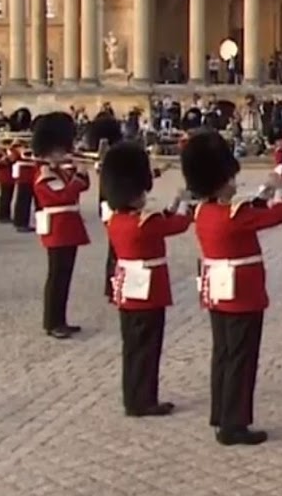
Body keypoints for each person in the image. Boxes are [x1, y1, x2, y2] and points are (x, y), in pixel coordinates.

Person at [184, 130, 282, 446]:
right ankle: (234, 424)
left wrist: (264, 192)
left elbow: (249, 211)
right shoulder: (233, 215)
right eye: (230, 178)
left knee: (223, 354)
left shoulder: (204, 212)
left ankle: (221, 412)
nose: (234, 182)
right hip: (242, 295)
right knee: (241, 359)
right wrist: (280, 191)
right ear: (221, 180)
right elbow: (276, 215)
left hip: (218, 293)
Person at [102, 140, 190, 417]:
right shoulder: (143, 222)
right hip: (148, 290)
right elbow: (177, 225)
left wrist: (174, 204)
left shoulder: (117, 220)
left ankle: (134, 397)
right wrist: (185, 204)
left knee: (133, 346)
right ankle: (143, 400)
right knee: (147, 347)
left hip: (128, 288)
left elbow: (160, 219)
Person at [31, 112, 91, 337]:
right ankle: (52, 322)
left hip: (67, 228)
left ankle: (60, 319)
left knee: (64, 277)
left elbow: (81, 187)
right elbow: (62, 196)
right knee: (57, 277)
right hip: (58, 229)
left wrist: (81, 172)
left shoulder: (57, 170)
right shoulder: (45, 172)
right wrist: (78, 176)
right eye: (59, 150)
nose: (63, 153)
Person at [84, 114, 125, 301]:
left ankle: (111, 286)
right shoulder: (113, 154)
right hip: (117, 202)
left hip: (106, 202)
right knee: (117, 249)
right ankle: (114, 286)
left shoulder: (103, 155)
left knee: (114, 248)